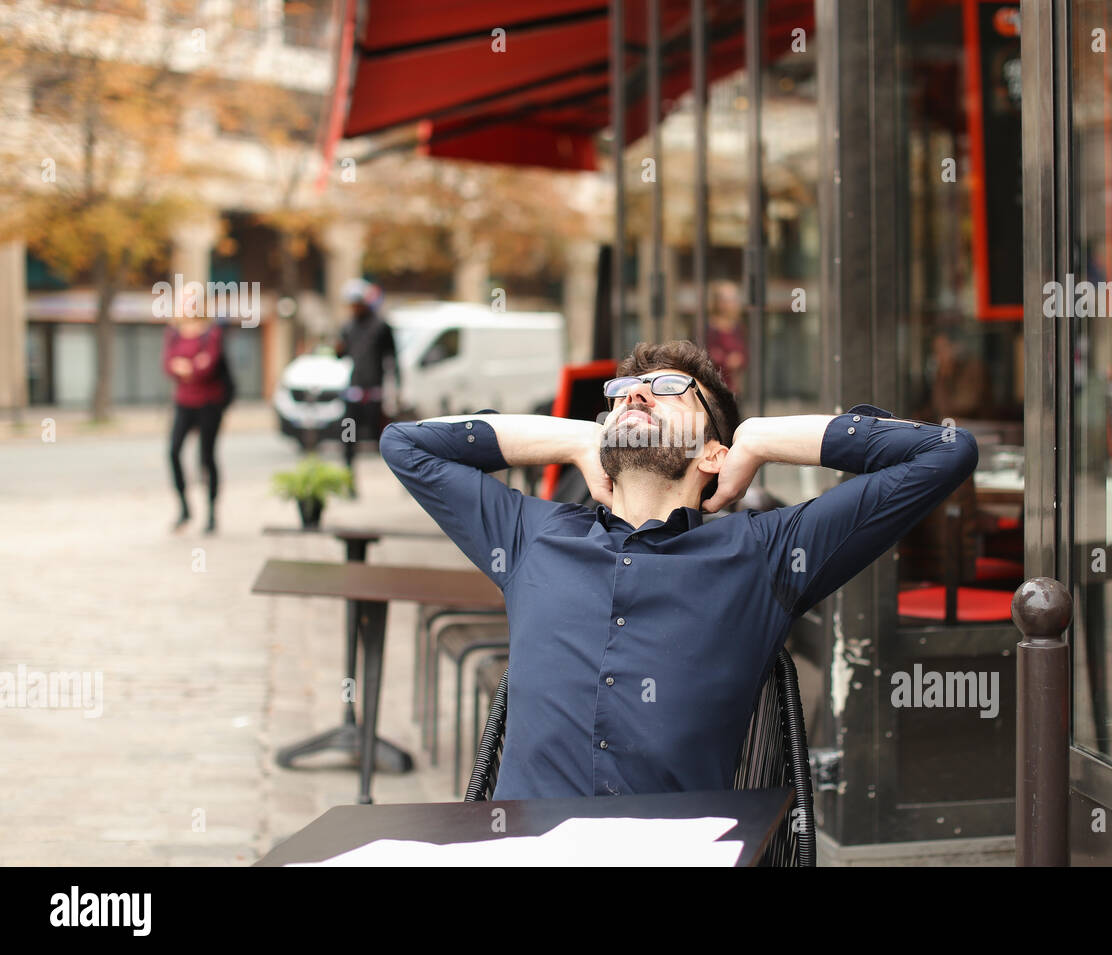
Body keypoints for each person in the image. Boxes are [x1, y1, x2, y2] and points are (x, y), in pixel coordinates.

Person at [380, 340, 977, 799]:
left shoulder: (766, 553)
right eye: (620, 393)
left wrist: (759, 438)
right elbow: (406, 444)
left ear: (715, 453)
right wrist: (577, 440)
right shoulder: (533, 535)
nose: (633, 395)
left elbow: (945, 451)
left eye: (667, 388)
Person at [162, 313, 231, 533]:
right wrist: (190, 365)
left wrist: (187, 367)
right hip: (184, 402)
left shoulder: (211, 332)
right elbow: (167, 364)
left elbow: (208, 366)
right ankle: (184, 508)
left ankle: (211, 514)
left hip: (209, 403)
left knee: (206, 457)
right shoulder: (173, 333)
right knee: (173, 451)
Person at [335, 278, 400, 494]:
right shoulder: (347, 327)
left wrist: (396, 389)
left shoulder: (381, 326)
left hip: (375, 393)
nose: (353, 308)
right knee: (348, 439)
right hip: (354, 391)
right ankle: (349, 483)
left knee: (385, 440)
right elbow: (340, 355)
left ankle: (402, 483)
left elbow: (393, 359)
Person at [706, 279, 749, 397]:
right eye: (728, 299)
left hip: (734, 388)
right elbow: (707, 356)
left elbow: (745, 354)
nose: (733, 303)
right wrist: (726, 361)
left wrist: (739, 360)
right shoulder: (709, 328)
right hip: (714, 388)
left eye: (735, 299)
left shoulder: (738, 327)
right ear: (718, 302)